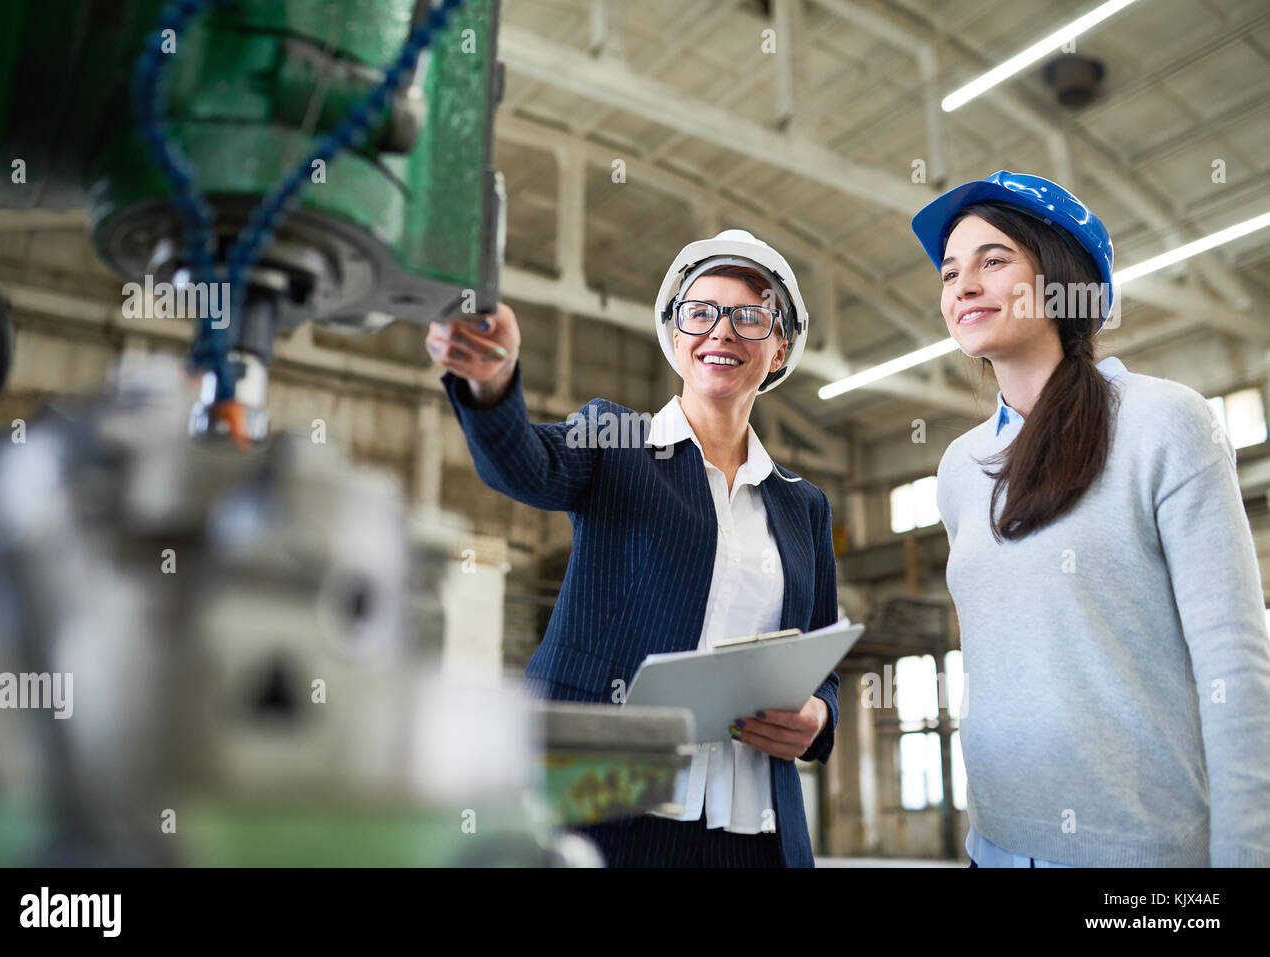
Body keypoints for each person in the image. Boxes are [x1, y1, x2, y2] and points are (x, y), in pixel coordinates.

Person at [426, 229, 841, 867]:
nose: (721, 332)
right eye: (700, 313)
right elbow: (525, 466)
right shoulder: (616, 441)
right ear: (675, 334)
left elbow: (821, 659)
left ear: (780, 344)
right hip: (605, 802)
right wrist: (493, 384)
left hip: (753, 825)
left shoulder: (802, 506)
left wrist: (819, 716)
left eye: (750, 317)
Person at [912, 170, 1270, 867]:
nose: (962, 284)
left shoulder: (1165, 422)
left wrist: (1247, 857)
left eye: (994, 259)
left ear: (1059, 277)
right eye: (951, 270)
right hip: (993, 847)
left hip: (1140, 857)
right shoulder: (959, 467)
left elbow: (1235, 661)